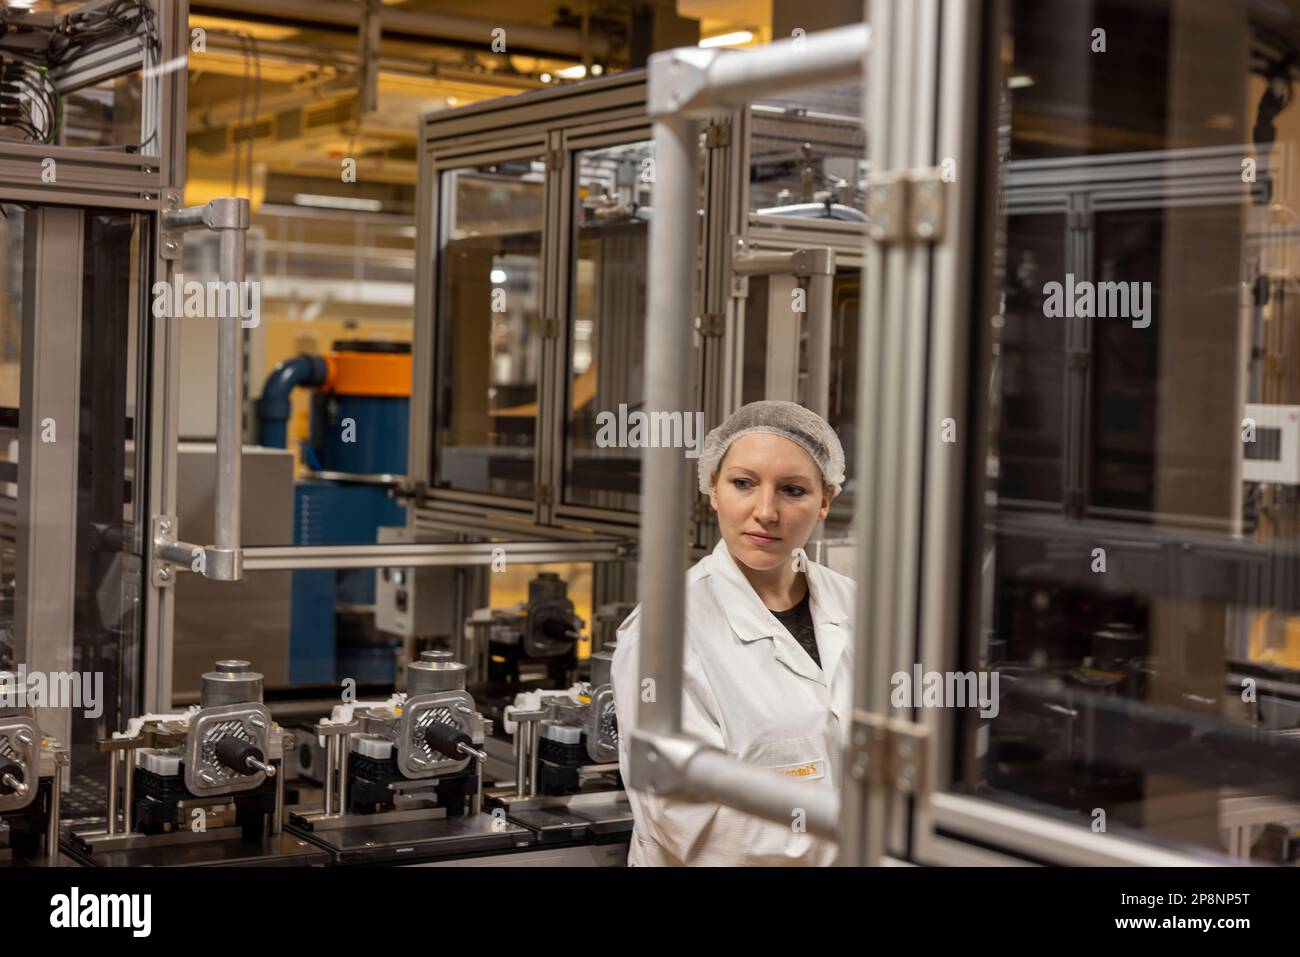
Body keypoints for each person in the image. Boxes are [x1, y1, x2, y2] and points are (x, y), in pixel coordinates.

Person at [612, 400, 854, 866]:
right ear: (713, 490)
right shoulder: (665, 633)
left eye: (793, 490)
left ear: (825, 501)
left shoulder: (860, 609)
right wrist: (862, 838)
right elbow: (688, 825)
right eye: (743, 483)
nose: (766, 511)